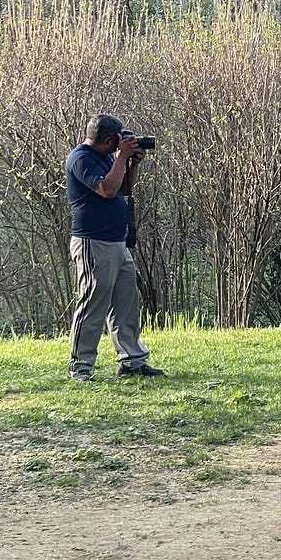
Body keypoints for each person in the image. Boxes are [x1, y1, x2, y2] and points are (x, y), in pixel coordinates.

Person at [65, 113, 164, 380]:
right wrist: (121, 157)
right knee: (93, 302)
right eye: (119, 140)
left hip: (117, 242)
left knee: (125, 302)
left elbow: (122, 189)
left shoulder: (108, 156)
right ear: (108, 140)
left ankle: (132, 360)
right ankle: (80, 364)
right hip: (92, 242)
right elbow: (106, 190)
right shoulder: (81, 159)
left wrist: (131, 165)